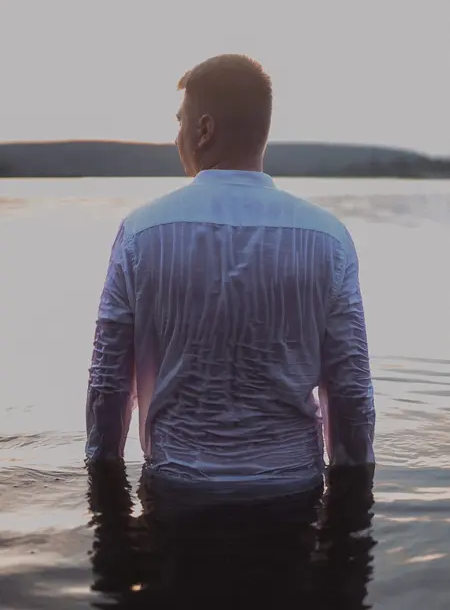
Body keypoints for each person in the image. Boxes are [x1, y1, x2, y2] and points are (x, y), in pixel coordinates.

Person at [85, 54, 375, 497]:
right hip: (293, 492)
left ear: (204, 129)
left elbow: (109, 380)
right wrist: (351, 507)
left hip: (176, 491)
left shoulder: (141, 232)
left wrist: (104, 492)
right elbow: (350, 388)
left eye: (181, 123)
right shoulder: (327, 237)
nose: (177, 137)